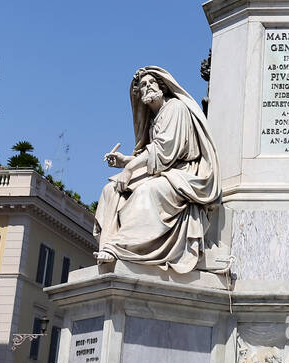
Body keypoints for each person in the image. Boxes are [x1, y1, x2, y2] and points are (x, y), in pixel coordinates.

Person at [94, 66, 221, 273]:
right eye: (143, 85)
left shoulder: (175, 108)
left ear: (162, 87)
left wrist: (130, 168)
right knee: (111, 190)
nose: (147, 87)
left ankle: (122, 246)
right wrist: (125, 161)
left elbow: (164, 150)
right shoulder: (155, 118)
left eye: (151, 83)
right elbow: (154, 153)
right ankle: (108, 244)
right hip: (165, 169)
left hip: (185, 172)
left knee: (147, 191)